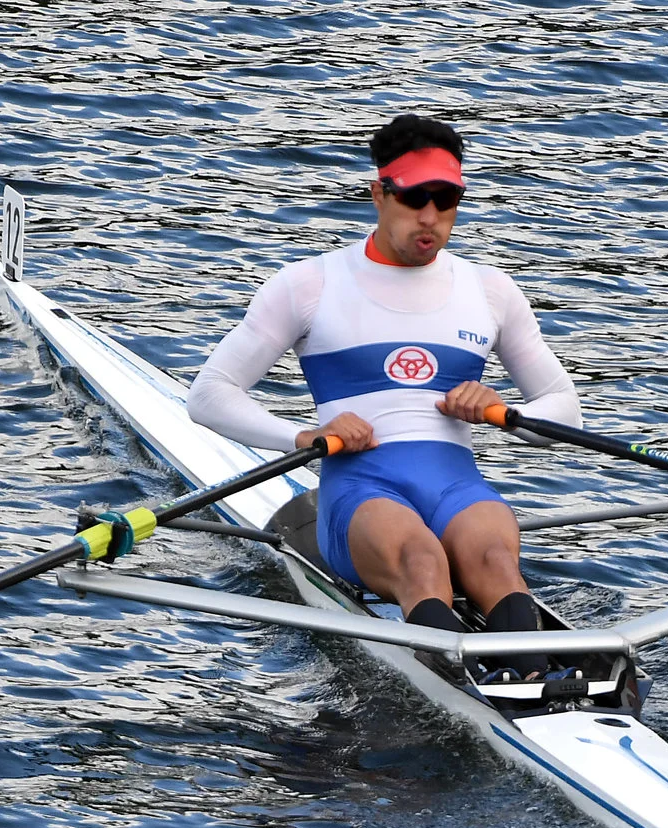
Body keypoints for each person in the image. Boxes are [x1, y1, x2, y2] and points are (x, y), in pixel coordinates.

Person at [187, 113, 583, 679]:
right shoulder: (309, 284)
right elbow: (209, 395)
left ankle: (544, 686)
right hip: (361, 489)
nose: (430, 218)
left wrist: (504, 413)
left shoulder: (490, 289)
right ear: (379, 192)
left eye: (446, 201)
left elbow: (562, 403)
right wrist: (303, 437)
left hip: (457, 485)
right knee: (421, 561)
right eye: (415, 198)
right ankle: (478, 686)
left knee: (497, 557)